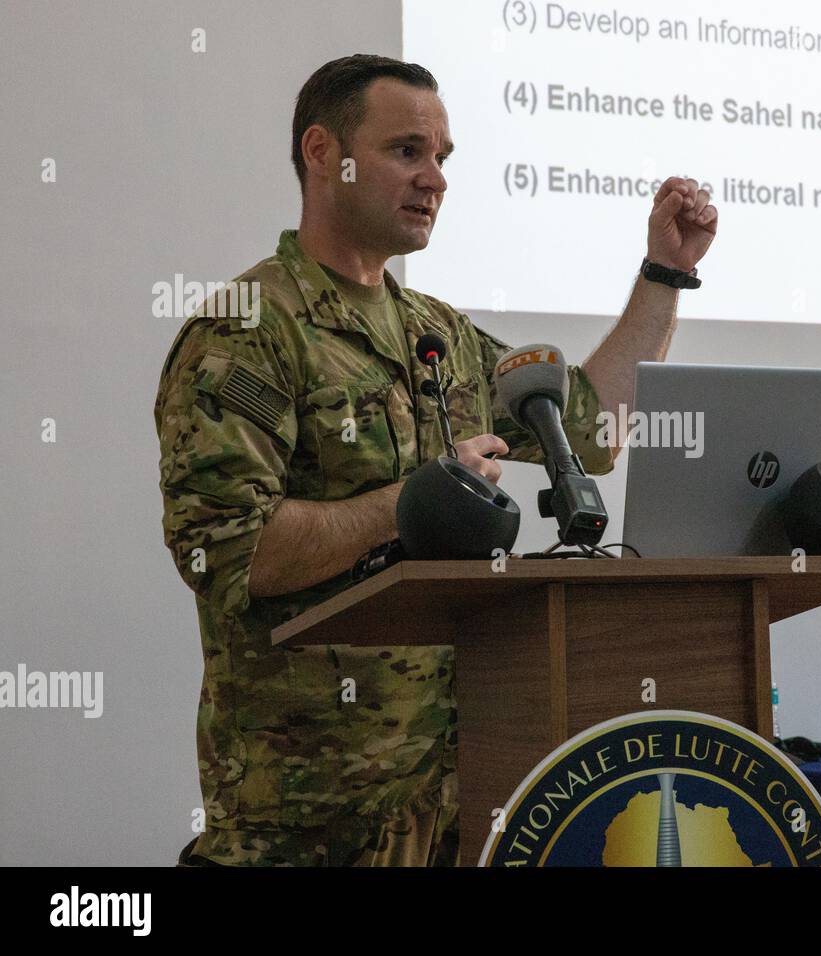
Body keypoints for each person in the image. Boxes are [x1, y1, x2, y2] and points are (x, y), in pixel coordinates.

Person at [154, 54, 717, 866]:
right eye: (406, 151)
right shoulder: (250, 332)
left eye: (443, 158)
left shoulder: (438, 333)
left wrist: (668, 273)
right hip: (308, 822)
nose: (434, 179)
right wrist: (418, 499)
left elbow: (592, 433)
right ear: (323, 152)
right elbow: (229, 552)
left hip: (458, 803)